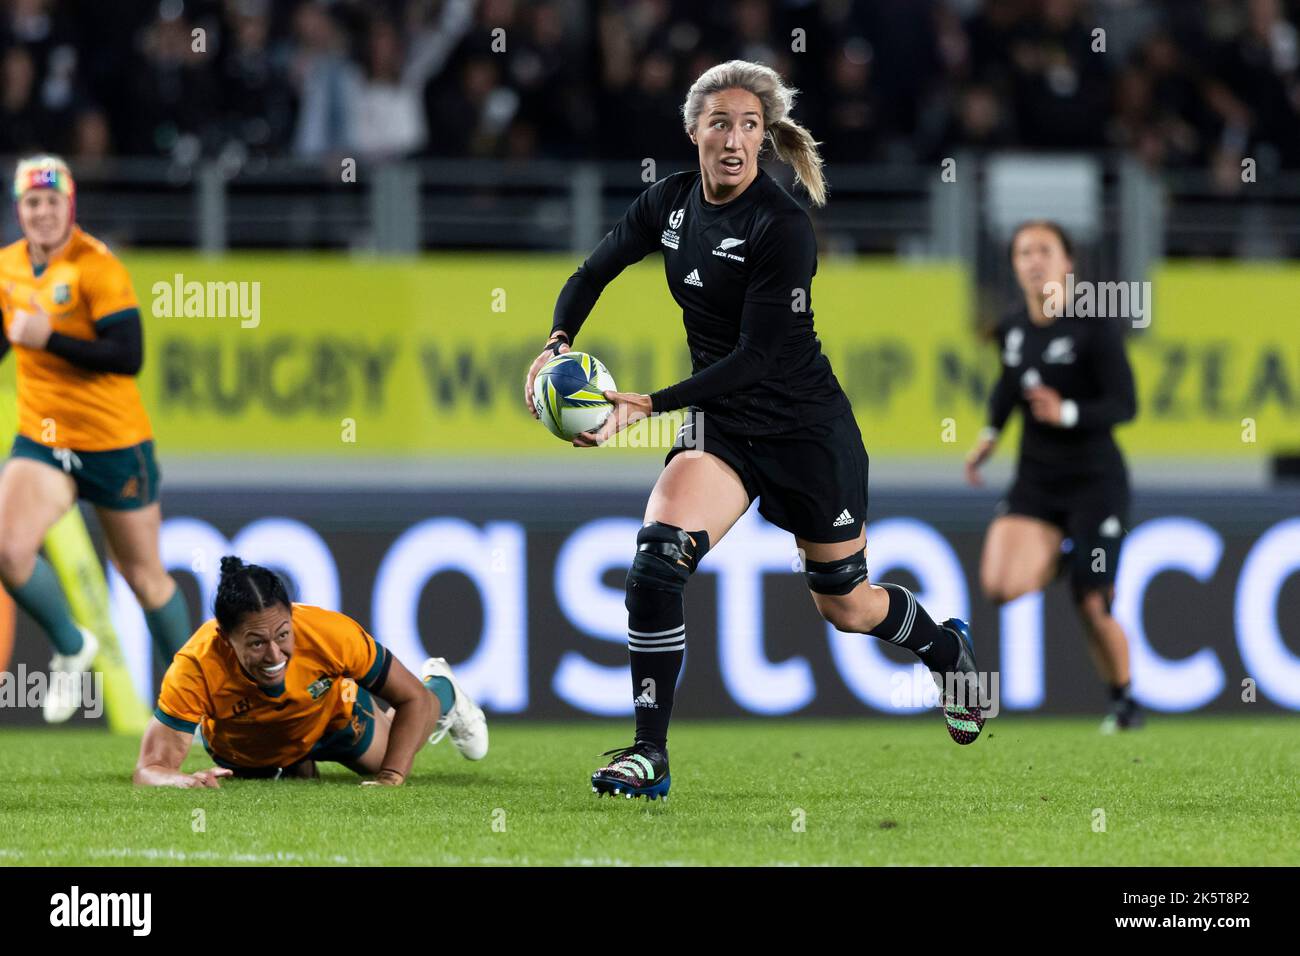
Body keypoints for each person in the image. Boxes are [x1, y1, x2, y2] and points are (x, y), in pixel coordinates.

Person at [524, 60, 985, 801]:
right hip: (725, 431)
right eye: (720, 125)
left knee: (846, 605)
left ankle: (946, 651)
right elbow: (592, 271)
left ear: (765, 137)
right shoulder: (668, 204)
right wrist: (554, 342)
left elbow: (758, 358)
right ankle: (649, 754)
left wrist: (647, 403)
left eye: (748, 127)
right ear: (693, 132)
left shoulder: (782, 227)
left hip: (806, 433)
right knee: (656, 561)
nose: (734, 140)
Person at [0, 155, 192, 723]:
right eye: (32, 203)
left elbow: (127, 355)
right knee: (9, 550)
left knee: (145, 578)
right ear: (19, 209)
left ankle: (198, 704)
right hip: (43, 439)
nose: (42, 212)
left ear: (70, 206)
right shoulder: (8, 266)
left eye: (52, 202)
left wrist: (49, 338)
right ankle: (70, 644)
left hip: (113, 443)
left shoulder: (98, 265)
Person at [965, 220, 1141, 732]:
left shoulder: (1095, 326)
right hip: (1038, 482)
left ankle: (1125, 704)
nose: (1034, 260)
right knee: (998, 585)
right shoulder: (1014, 327)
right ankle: (1067, 557)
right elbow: (1008, 383)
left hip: (1095, 483)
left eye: (1045, 250)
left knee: (1093, 603)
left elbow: (1125, 405)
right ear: (1015, 265)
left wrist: (1067, 412)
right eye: (1023, 252)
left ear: (1068, 263)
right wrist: (989, 435)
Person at [134, 556, 488, 787]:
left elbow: (411, 698)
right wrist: (182, 781)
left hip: (330, 716)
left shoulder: (330, 634)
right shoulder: (196, 665)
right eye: (257, 643)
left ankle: (443, 687)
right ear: (225, 639)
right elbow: (149, 769)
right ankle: (295, 763)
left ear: (291, 617)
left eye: (283, 635)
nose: (275, 654)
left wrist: (390, 777)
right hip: (246, 749)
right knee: (276, 786)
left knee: (395, 746)